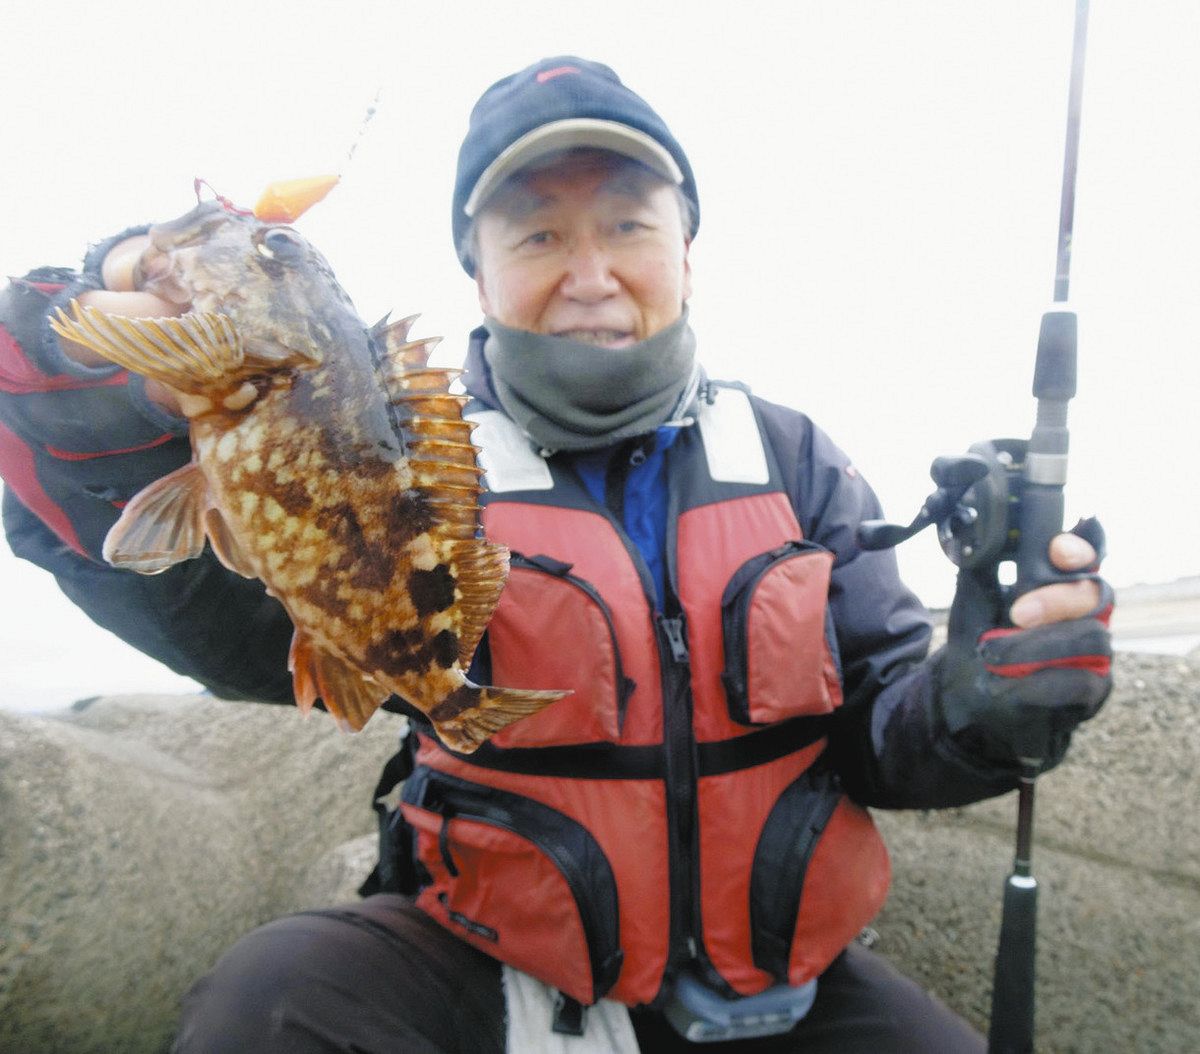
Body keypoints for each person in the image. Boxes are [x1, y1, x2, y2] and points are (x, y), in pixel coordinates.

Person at [0, 57, 1112, 1052]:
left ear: (686, 251)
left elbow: (882, 735)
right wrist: (91, 390)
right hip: (493, 964)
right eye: (537, 235)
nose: (590, 274)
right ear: (477, 275)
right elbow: (212, 613)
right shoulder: (405, 457)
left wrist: (981, 704)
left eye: (627, 225)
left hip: (784, 985)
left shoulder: (792, 459)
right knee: (271, 1003)